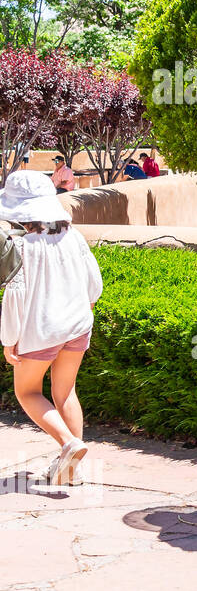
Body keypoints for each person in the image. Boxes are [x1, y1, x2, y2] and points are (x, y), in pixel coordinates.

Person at [0, 171, 103, 486]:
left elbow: (14, 298)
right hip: (77, 326)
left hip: (42, 332)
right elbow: (93, 283)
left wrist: (9, 341)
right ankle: (72, 470)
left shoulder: (22, 246)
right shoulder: (73, 236)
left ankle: (69, 444)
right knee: (66, 391)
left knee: (27, 391)